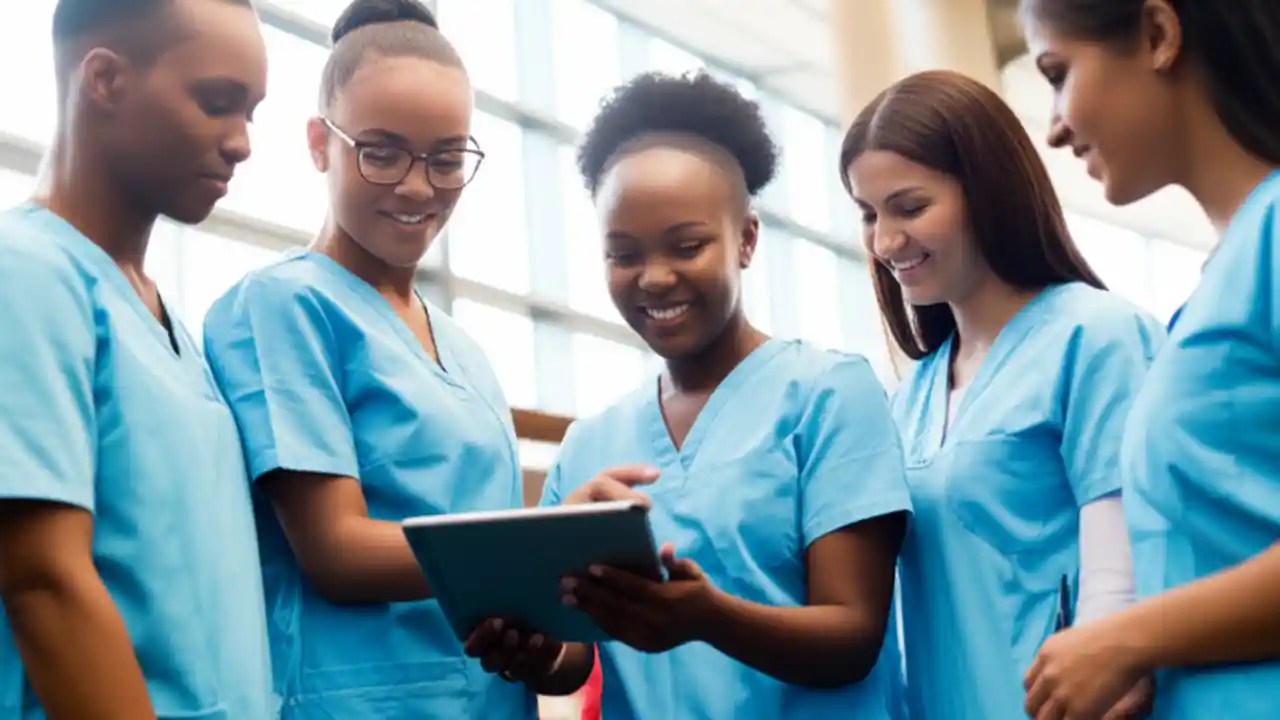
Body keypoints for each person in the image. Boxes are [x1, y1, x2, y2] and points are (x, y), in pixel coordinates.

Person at [466, 71, 913, 720]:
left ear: (747, 240)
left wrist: (709, 619)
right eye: (623, 253)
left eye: (687, 246)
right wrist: (532, 651)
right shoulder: (589, 445)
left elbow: (854, 638)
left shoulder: (828, 396)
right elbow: (574, 661)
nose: (653, 277)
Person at [201, 0, 551, 717]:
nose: (418, 186)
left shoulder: (465, 351)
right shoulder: (284, 307)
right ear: (318, 144)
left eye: (448, 158)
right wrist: (542, 555)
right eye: (381, 152)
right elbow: (337, 550)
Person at [839, 69, 1165, 720]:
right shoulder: (911, 400)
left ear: (987, 191)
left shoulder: (1095, 338)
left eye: (910, 207)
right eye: (870, 214)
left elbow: (1120, 579)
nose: (885, 241)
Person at [0, 0, 272, 717]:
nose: (242, 143)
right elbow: (41, 579)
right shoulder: (23, 273)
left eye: (251, 112)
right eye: (217, 103)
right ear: (105, 80)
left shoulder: (167, 323)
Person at [1019, 1, 1280, 718]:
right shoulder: (1208, 298)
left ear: (1160, 35)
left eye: (1057, 72)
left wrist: (1130, 639)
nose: (1054, 126)